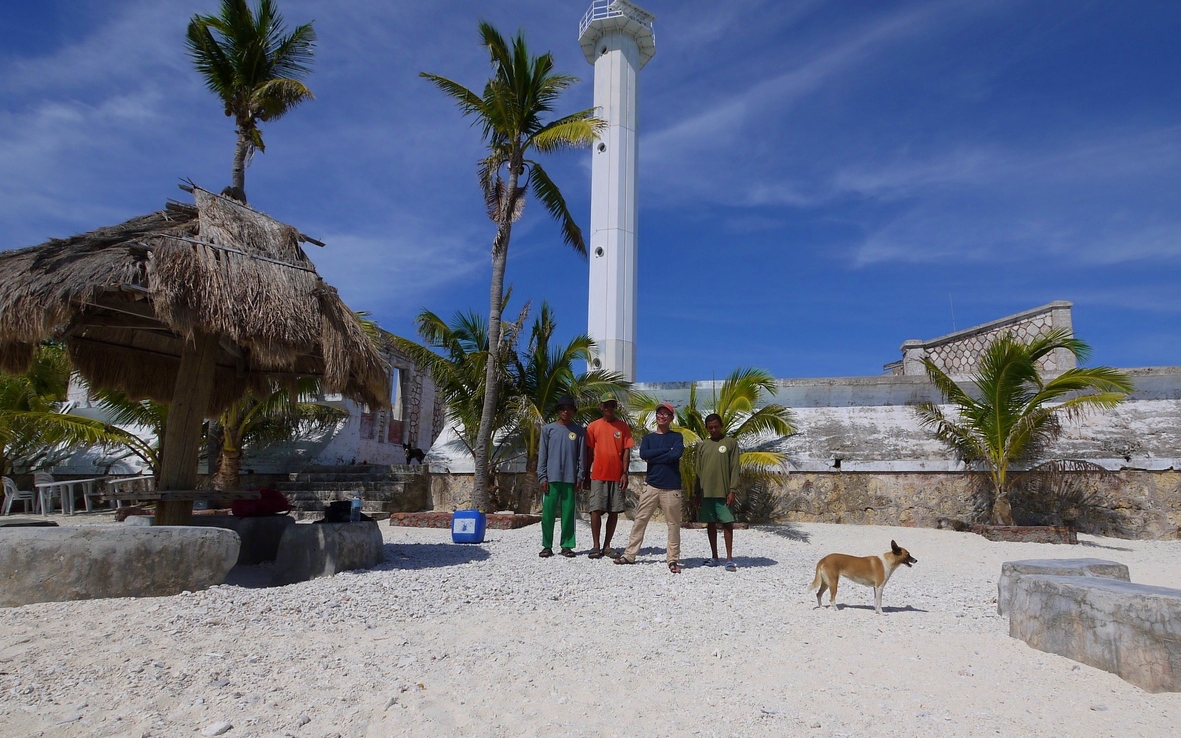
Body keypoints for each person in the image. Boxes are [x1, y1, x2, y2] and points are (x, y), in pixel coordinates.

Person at [614, 402, 684, 573]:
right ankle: (629, 555)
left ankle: (673, 559)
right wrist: (666, 451)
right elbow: (645, 454)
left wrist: (657, 455)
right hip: (651, 485)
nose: (662, 416)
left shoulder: (677, 437)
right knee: (640, 521)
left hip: (672, 487)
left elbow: (676, 454)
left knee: (673, 524)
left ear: (671, 418)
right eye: (659, 413)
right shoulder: (648, 438)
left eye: (666, 414)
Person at [536, 396, 586, 558]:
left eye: (569, 408)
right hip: (551, 479)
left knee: (568, 514)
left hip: (570, 479)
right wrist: (542, 477)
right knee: (548, 514)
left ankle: (567, 545)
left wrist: (579, 478)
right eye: (563, 408)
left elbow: (581, 457)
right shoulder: (548, 430)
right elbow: (542, 455)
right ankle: (547, 545)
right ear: (558, 410)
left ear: (573, 411)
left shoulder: (579, 431)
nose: (566, 411)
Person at [584, 397, 633, 559]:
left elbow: (627, 450)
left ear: (616, 407)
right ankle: (596, 545)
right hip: (598, 475)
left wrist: (625, 472)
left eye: (612, 405)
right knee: (595, 509)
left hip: (617, 475)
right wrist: (586, 474)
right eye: (606, 405)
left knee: (614, 511)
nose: (609, 408)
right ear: (601, 406)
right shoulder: (593, 426)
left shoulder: (623, 426)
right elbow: (589, 452)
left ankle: (607, 546)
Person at [695, 413, 741, 571]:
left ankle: (729, 558)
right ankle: (714, 556)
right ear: (706, 428)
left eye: (716, 426)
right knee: (711, 524)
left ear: (721, 425)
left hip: (724, 492)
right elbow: (698, 471)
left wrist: (732, 490)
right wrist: (697, 493)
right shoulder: (702, 445)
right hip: (706, 492)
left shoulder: (730, 443)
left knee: (727, 524)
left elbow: (735, 468)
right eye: (710, 427)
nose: (713, 429)